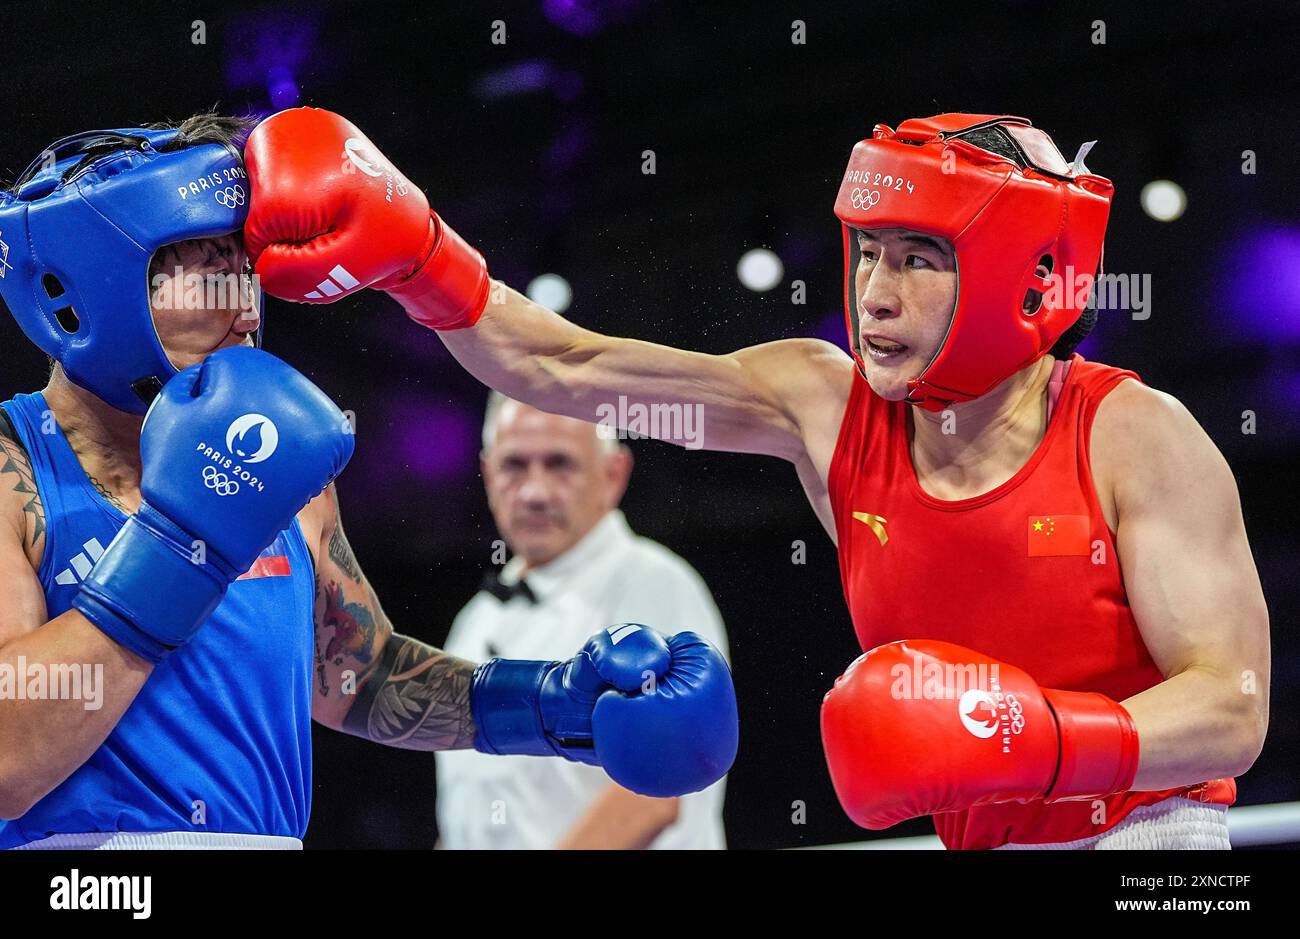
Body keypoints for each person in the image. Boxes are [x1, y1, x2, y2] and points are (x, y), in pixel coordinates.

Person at [244, 108, 1270, 849]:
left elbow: (1232, 709)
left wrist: (1031, 739)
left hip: (1153, 844)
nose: (873, 294)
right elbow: (561, 368)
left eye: (918, 258)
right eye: (865, 253)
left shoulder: (1133, 434)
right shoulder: (821, 406)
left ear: (1022, 273)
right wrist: (418, 256)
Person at [0, 117, 736, 849]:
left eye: (247, 269)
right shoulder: (13, 468)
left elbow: (363, 674)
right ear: (81, 295)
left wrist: (548, 704)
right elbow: (7, 759)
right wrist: (179, 542)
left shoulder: (278, 463)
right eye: (207, 273)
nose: (247, 309)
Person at [437, 393, 730, 849]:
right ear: (488, 473)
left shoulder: (652, 583)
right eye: (515, 465)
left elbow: (652, 792)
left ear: (613, 475)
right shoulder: (475, 620)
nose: (534, 492)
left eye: (560, 464)